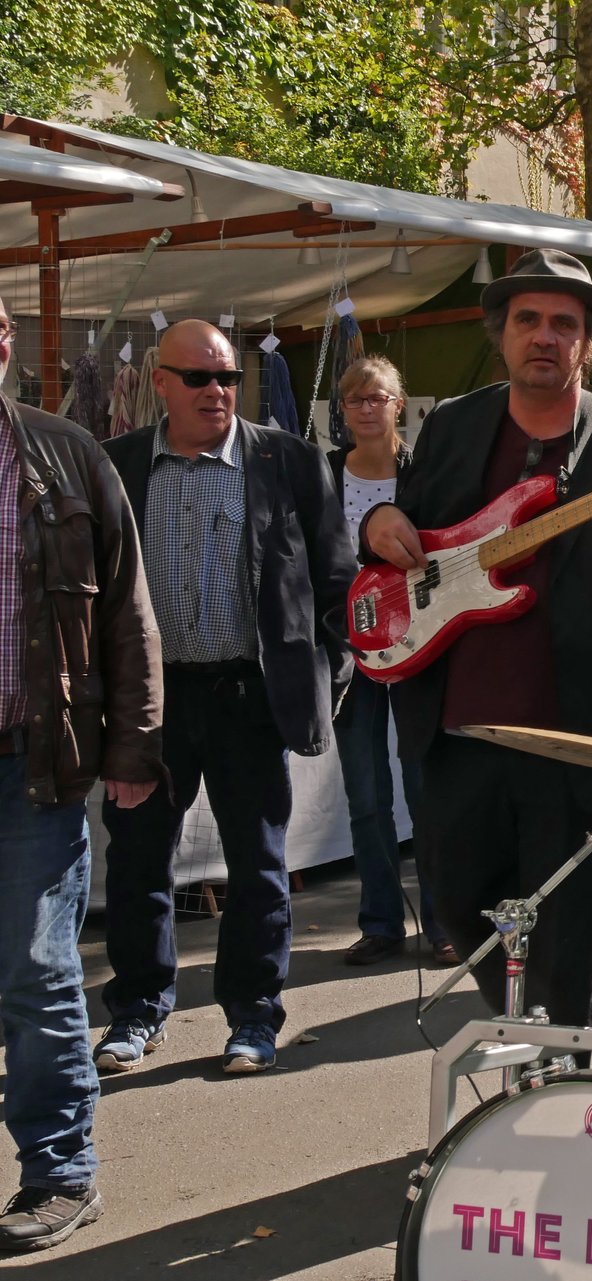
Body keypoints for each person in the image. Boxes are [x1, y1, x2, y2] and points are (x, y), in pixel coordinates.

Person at [360, 249, 592, 1029]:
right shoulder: (455, 427)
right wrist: (379, 522)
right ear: (502, 333)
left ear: (588, 344)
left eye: (565, 324)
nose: (545, 336)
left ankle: (562, 1079)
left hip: (581, 733)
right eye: (528, 319)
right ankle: (526, 1032)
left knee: (569, 936)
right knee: (463, 909)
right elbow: (413, 535)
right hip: (461, 725)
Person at [97, 319, 355, 1076]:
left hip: (248, 695)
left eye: (229, 378)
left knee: (258, 864)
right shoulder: (117, 467)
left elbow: (337, 583)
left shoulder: (287, 461)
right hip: (152, 702)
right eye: (201, 378)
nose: (219, 391)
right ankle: (139, 1009)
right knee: (139, 862)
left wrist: (322, 679)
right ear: (162, 383)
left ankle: (253, 1017)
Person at [0, 298, 161, 1250]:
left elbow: (127, 610)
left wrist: (134, 747)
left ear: (6, 345)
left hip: (33, 761)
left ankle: (60, 1172)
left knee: (35, 966)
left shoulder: (63, 455)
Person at [327, 356, 453, 966]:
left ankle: (442, 921)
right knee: (366, 793)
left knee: (427, 788)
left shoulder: (422, 471)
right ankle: (380, 922)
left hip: (418, 646)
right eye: (355, 400)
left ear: (398, 405)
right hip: (351, 652)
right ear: (343, 410)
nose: (367, 408)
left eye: (377, 398)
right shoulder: (325, 474)